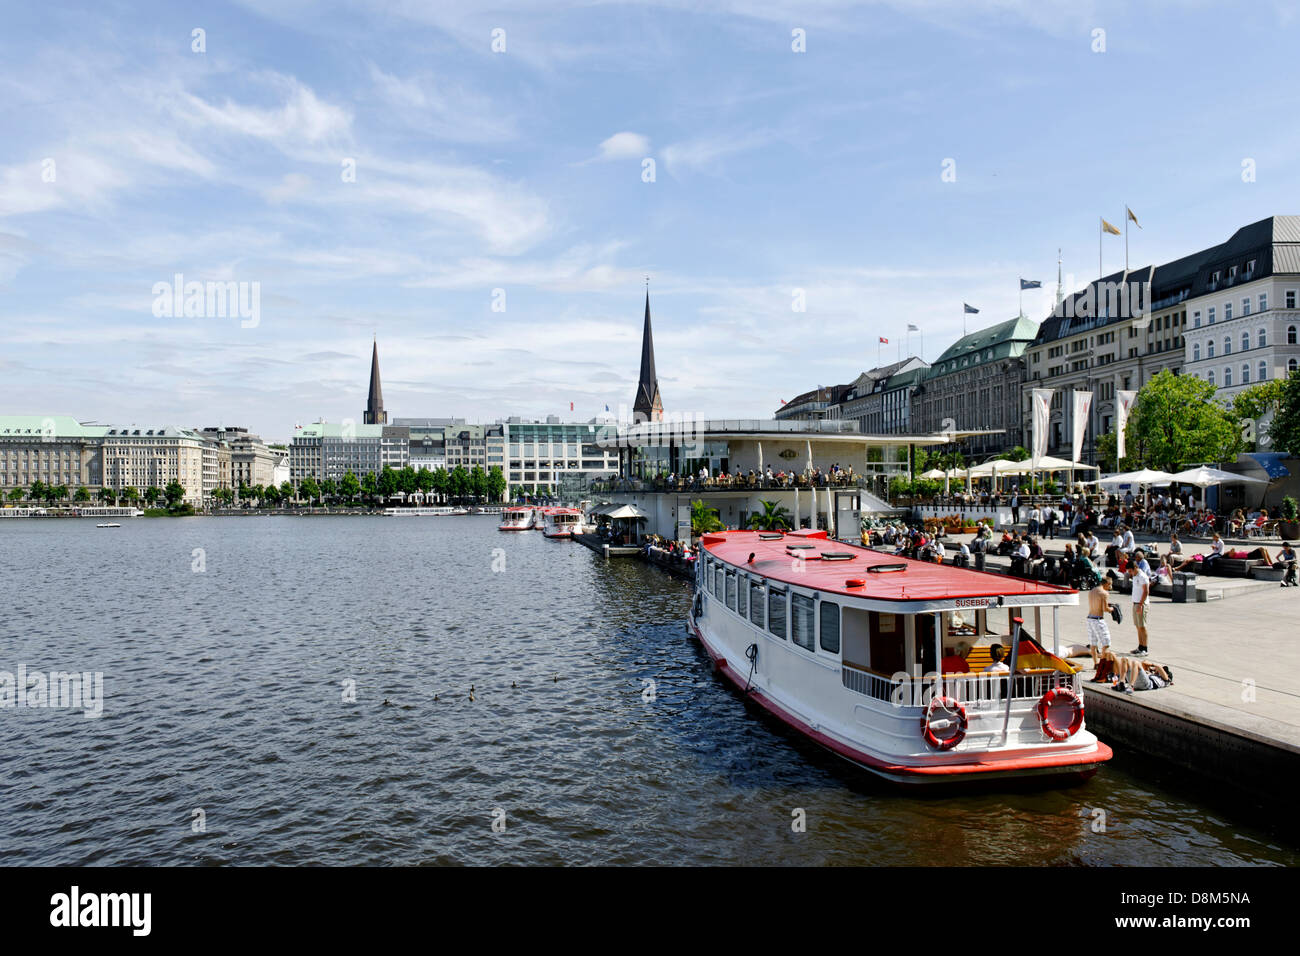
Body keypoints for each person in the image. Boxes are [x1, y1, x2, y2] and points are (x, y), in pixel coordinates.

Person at [1086, 573, 1114, 667]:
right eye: (1110, 585)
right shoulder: (1104, 593)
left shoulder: (1092, 591)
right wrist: (1112, 609)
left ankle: (1096, 663)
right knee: (1106, 643)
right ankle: (1102, 664)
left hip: (1090, 618)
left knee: (1093, 644)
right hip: (1098, 619)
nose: (1110, 587)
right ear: (1106, 583)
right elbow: (1105, 608)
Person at [1126, 561, 1150, 656]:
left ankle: (1145, 648)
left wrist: (1140, 604)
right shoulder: (1135, 576)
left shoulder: (1142, 576)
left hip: (1141, 604)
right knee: (1137, 626)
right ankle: (1140, 646)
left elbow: (1146, 591)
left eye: (1130, 570)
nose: (1130, 573)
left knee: (1142, 626)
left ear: (1135, 567)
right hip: (1136, 603)